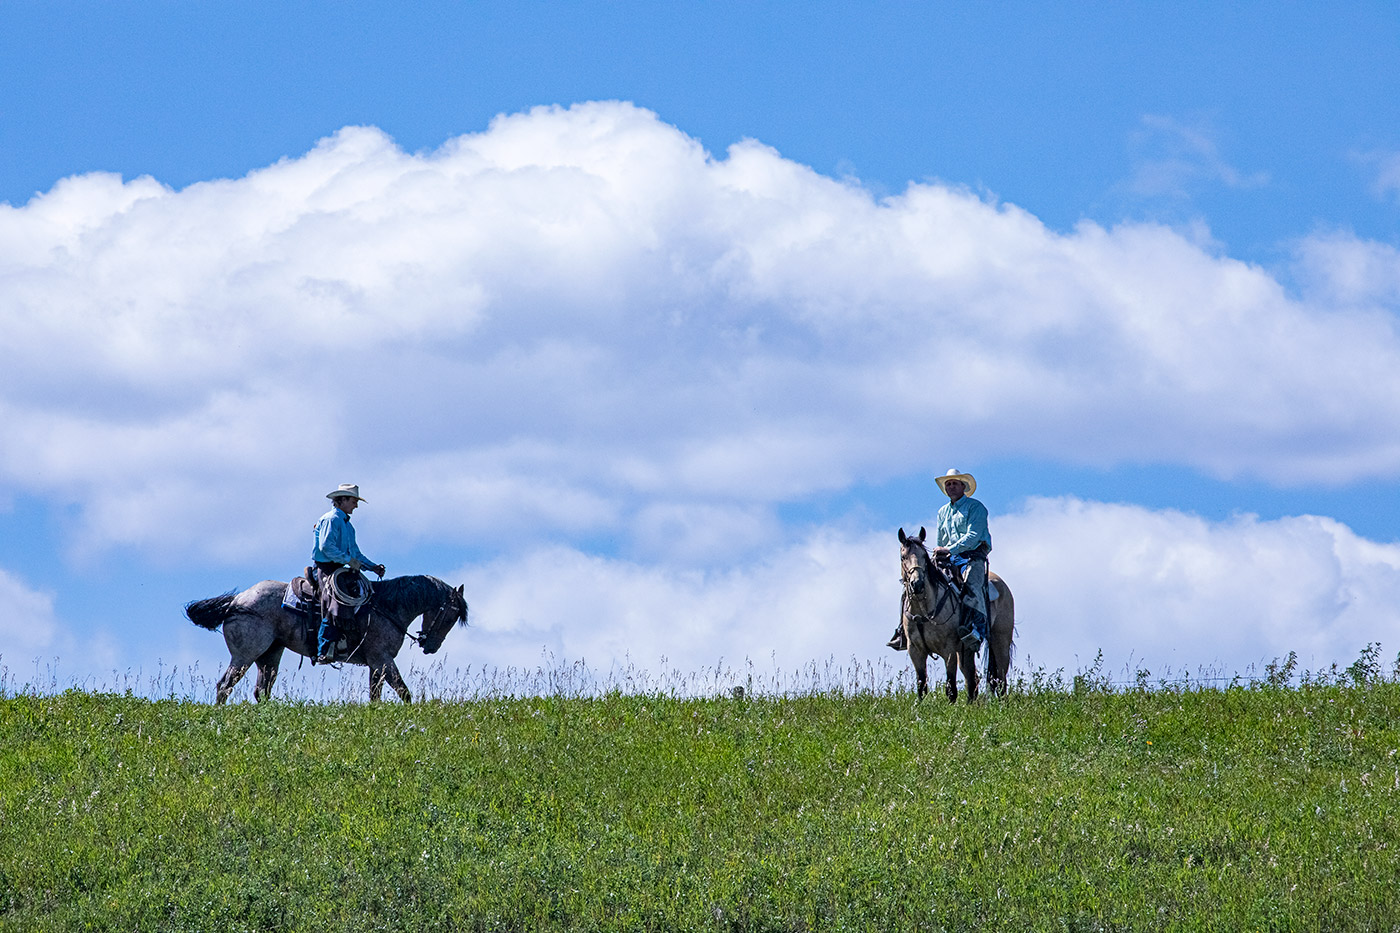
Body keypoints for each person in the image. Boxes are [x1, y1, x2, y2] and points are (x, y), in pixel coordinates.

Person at [888, 468, 993, 652]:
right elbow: (941, 540)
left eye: (955, 483)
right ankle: (903, 631)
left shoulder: (976, 508)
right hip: (949, 557)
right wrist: (939, 554)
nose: (951, 487)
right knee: (913, 586)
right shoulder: (942, 512)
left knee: (972, 586)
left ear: (963, 486)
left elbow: (974, 536)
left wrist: (949, 549)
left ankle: (977, 630)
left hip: (972, 556)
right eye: (948, 484)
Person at [312, 484, 385, 663]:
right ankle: (324, 648)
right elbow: (326, 547)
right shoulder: (331, 519)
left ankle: (345, 641)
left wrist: (372, 567)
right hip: (326, 569)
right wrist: (348, 560)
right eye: (353, 501)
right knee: (336, 601)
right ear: (342, 500)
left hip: (339, 568)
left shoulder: (347, 526)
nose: (356, 506)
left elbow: (356, 554)